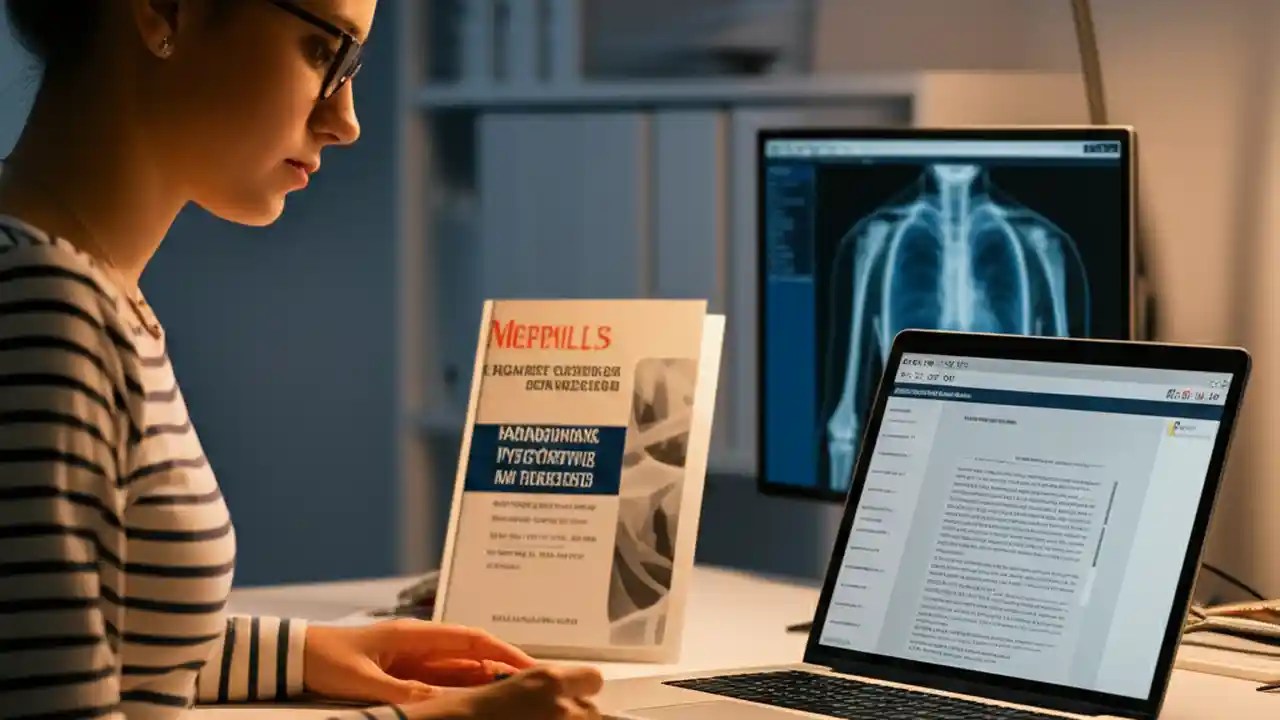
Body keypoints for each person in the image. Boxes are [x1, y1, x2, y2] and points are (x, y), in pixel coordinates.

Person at [0, 1, 603, 718]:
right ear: (162, 9)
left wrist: (305, 653)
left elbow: (83, 638)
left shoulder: (76, 289)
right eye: (322, 52)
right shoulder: (45, 310)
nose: (346, 119)